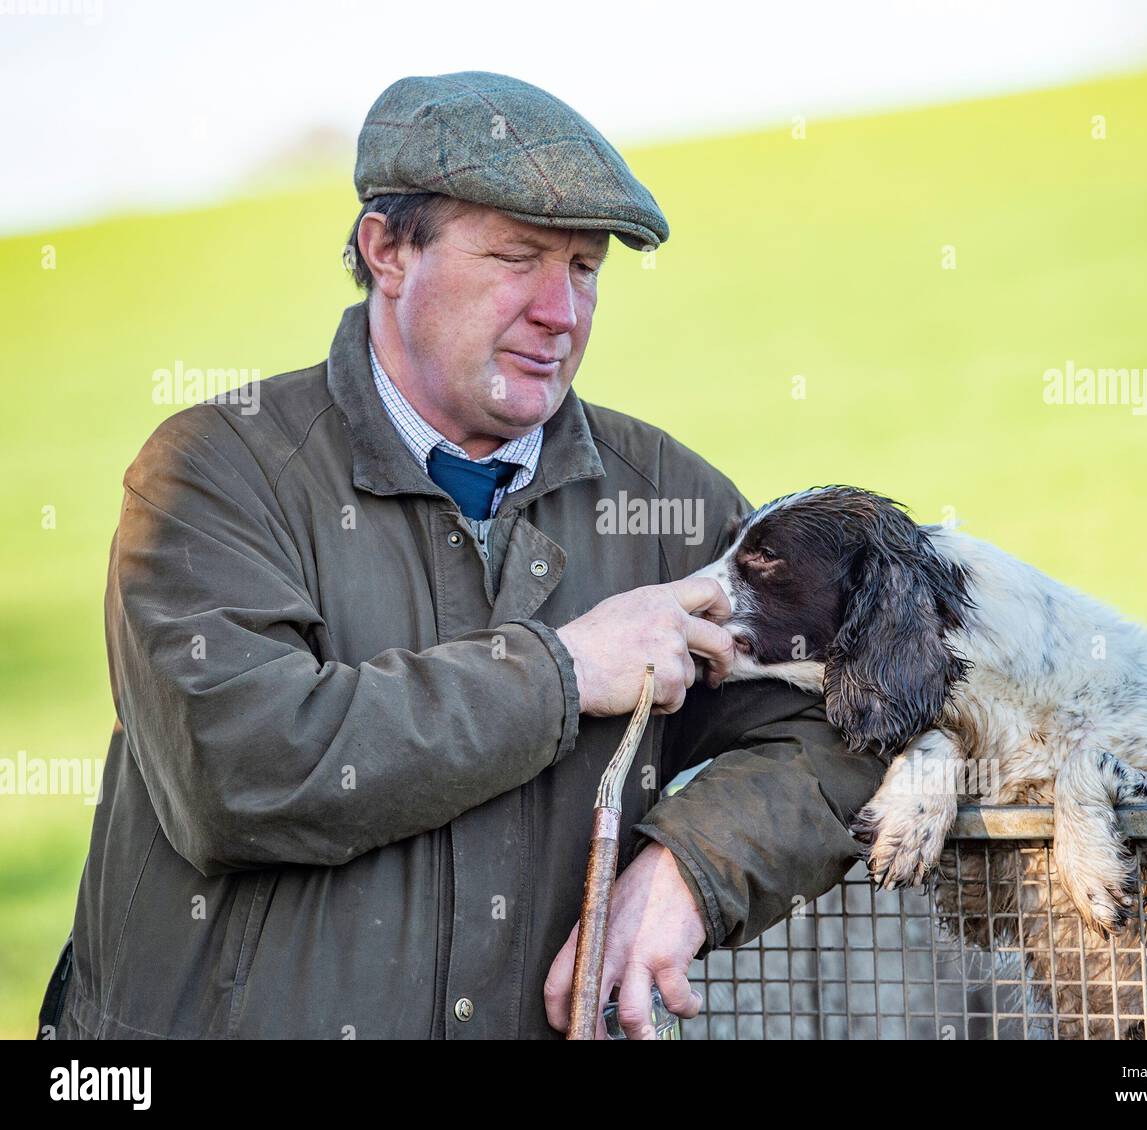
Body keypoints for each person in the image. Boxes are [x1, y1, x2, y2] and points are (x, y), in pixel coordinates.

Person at [36, 71, 885, 1041]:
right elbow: (241, 769)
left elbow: (838, 725)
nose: (560, 311)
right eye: (518, 256)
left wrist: (690, 866)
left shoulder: (671, 501)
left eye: (585, 268)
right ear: (387, 249)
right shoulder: (214, 473)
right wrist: (563, 671)